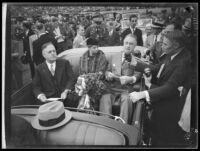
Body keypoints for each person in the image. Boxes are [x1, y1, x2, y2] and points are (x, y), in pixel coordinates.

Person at [129, 30, 191, 146]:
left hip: (171, 107)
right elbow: (158, 68)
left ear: (176, 45)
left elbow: (170, 88)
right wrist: (136, 64)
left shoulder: (183, 62)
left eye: (165, 44)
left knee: (162, 138)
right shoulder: (173, 53)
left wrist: (143, 93)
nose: (161, 46)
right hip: (163, 100)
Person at [99, 34, 142, 124]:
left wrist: (129, 79)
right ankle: (105, 124)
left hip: (126, 90)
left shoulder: (137, 61)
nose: (128, 46)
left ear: (134, 46)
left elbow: (137, 76)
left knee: (126, 100)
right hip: (112, 88)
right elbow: (107, 71)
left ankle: (123, 126)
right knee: (104, 98)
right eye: (126, 43)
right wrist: (108, 75)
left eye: (131, 44)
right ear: (123, 44)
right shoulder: (114, 56)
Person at [32, 42, 79, 107]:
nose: (53, 53)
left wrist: (66, 91)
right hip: (48, 100)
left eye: (54, 51)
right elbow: (36, 87)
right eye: (50, 52)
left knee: (73, 100)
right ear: (44, 55)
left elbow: (72, 78)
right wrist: (41, 95)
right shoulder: (39, 69)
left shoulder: (64, 63)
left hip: (65, 98)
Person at [78, 38, 109, 110]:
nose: (97, 49)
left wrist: (88, 78)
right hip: (85, 83)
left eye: (97, 47)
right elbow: (81, 73)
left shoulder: (101, 56)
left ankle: (85, 110)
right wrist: (85, 80)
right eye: (94, 47)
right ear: (89, 47)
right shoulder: (83, 57)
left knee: (86, 91)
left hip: (99, 83)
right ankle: (86, 111)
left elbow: (101, 73)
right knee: (81, 86)